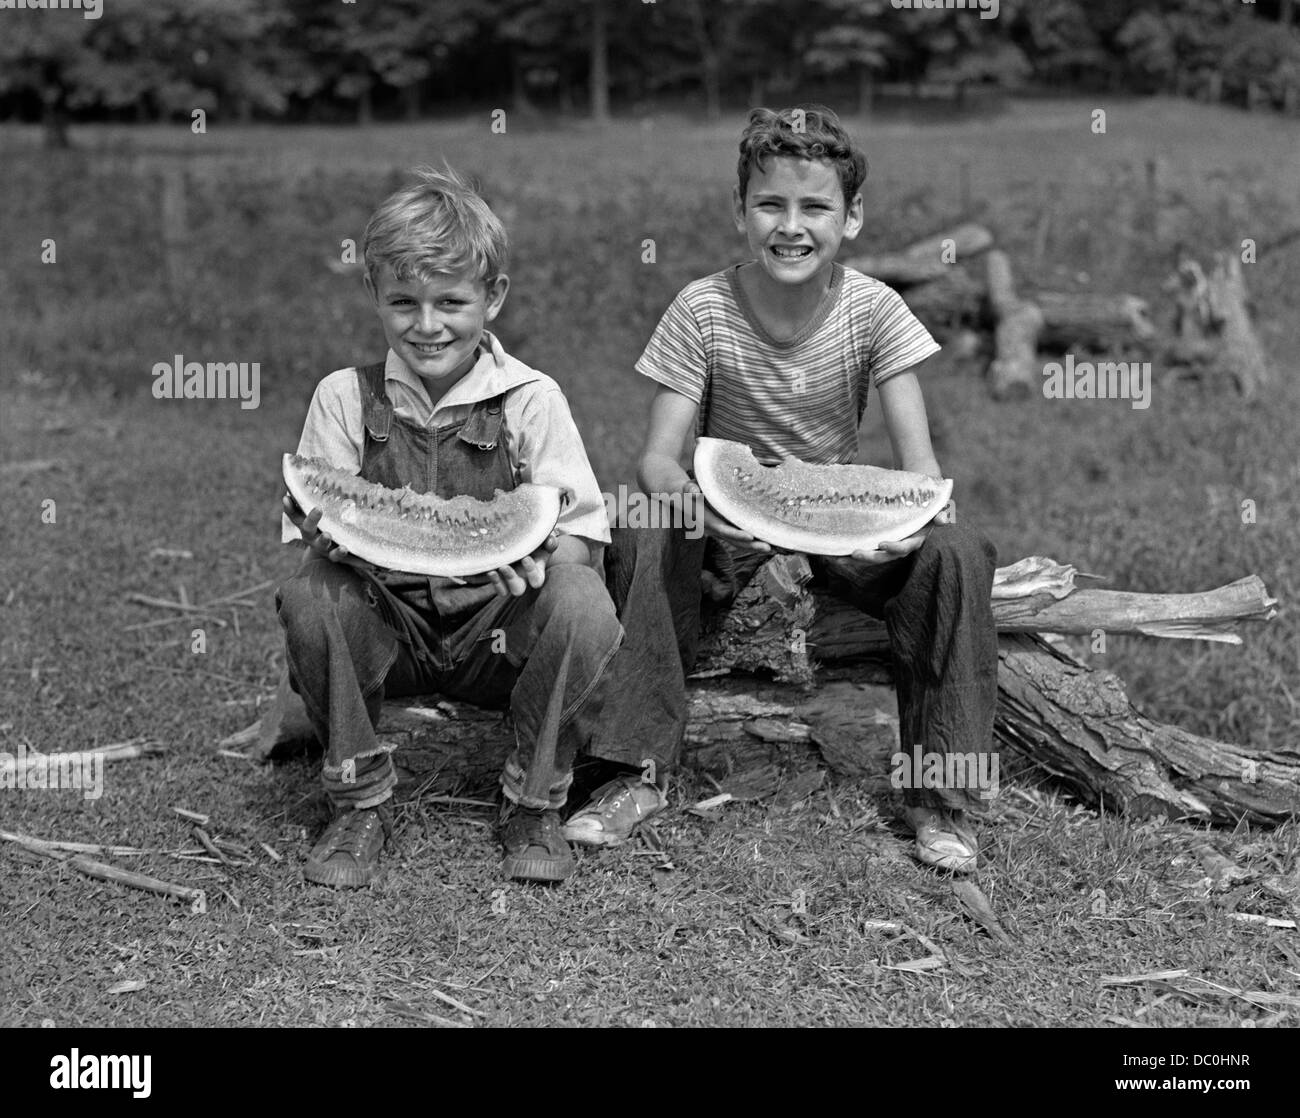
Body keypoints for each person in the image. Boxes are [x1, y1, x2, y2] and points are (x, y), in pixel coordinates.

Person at [591, 105, 999, 873]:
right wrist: (698, 503)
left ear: (852, 218)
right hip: (725, 528)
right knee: (643, 520)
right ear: (740, 211)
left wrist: (913, 523)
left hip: (845, 529)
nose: (791, 225)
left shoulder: (875, 308)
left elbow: (922, 475)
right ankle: (631, 774)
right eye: (770, 204)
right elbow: (655, 460)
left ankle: (940, 797)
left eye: (815, 207)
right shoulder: (702, 307)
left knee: (959, 548)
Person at [277, 165, 622, 888]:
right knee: (311, 593)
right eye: (403, 302)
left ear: (492, 297)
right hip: (390, 629)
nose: (426, 325)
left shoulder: (531, 399)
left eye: (451, 302)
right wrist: (326, 540)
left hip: (498, 636)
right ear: (374, 293)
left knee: (584, 605)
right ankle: (359, 801)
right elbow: (319, 529)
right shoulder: (344, 397)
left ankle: (533, 800)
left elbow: (583, 540)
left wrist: (543, 556)